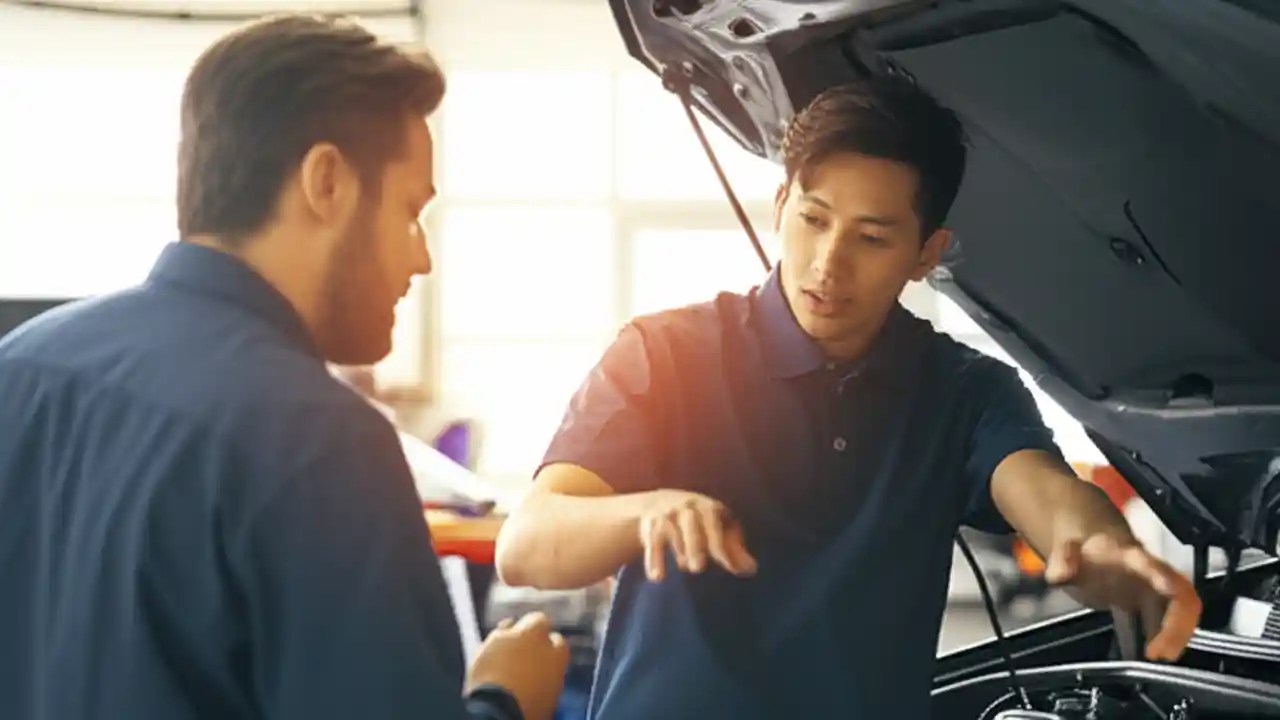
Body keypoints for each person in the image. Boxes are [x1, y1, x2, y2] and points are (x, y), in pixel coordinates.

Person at [495, 74, 1202, 718]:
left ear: (928, 254)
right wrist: (643, 513)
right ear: (780, 205)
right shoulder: (663, 354)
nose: (829, 264)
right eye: (813, 219)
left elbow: (1046, 496)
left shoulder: (963, 390)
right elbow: (526, 547)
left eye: (871, 237)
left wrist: (1106, 549)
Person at [0, 15, 568, 720]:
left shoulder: (21, 368)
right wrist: (505, 700)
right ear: (326, 182)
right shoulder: (317, 442)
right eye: (409, 211)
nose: (420, 258)